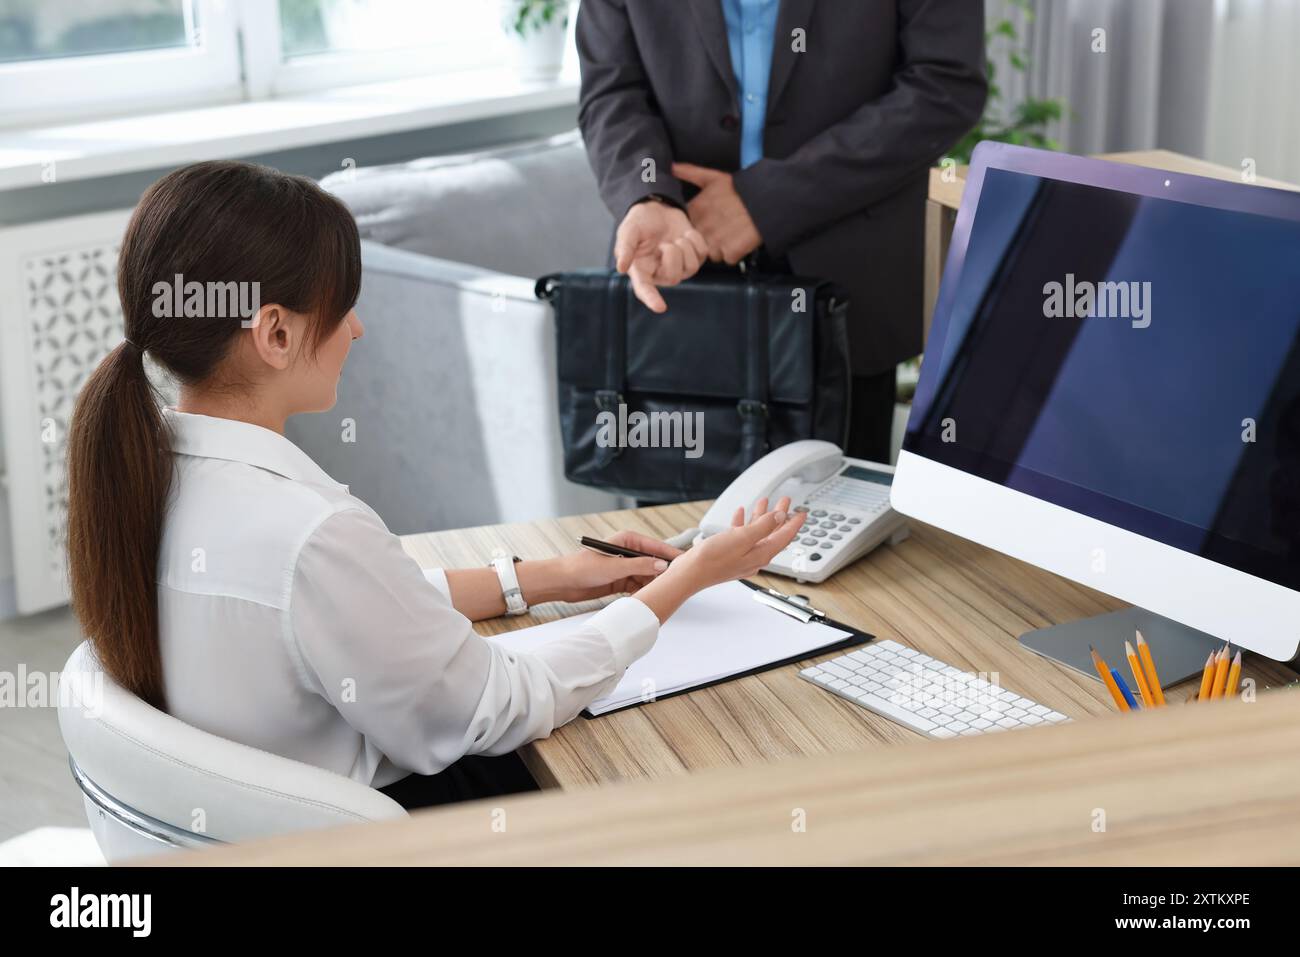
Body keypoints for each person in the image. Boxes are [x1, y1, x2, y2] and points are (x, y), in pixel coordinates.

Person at [64, 161, 806, 808]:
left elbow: (355, 606)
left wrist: (547, 577)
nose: (356, 329)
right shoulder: (310, 531)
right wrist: (680, 586)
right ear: (277, 333)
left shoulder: (149, 470)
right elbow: (496, 707)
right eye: (341, 303)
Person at [576, 0, 987, 463]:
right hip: (682, 265)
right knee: (669, 528)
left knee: (839, 522)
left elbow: (944, 84)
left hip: (846, 282)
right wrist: (648, 194)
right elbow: (612, 89)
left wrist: (764, 202)